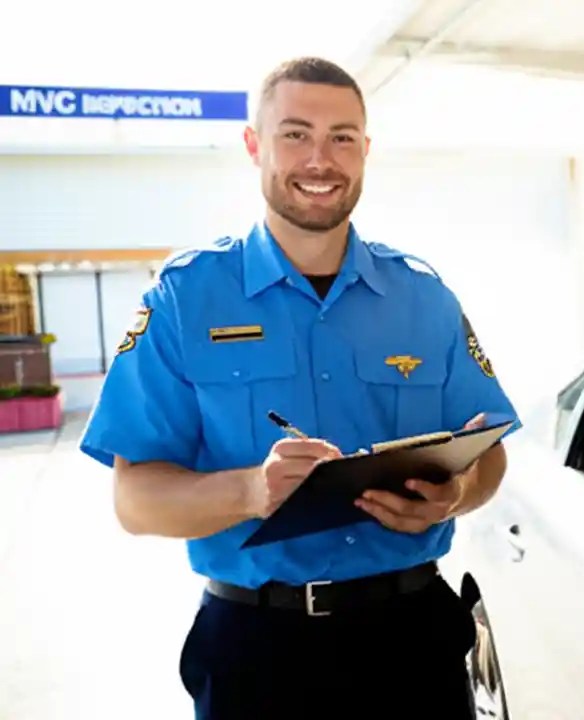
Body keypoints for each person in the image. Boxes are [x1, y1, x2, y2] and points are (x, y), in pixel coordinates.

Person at [78, 56, 520, 719]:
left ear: (366, 151)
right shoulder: (185, 298)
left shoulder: (425, 298)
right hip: (259, 654)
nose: (321, 159)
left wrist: (456, 493)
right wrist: (252, 490)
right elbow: (136, 501)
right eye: (295, 134)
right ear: (254, 145)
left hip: (413, 642)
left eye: (342, 136)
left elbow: (489, 454)